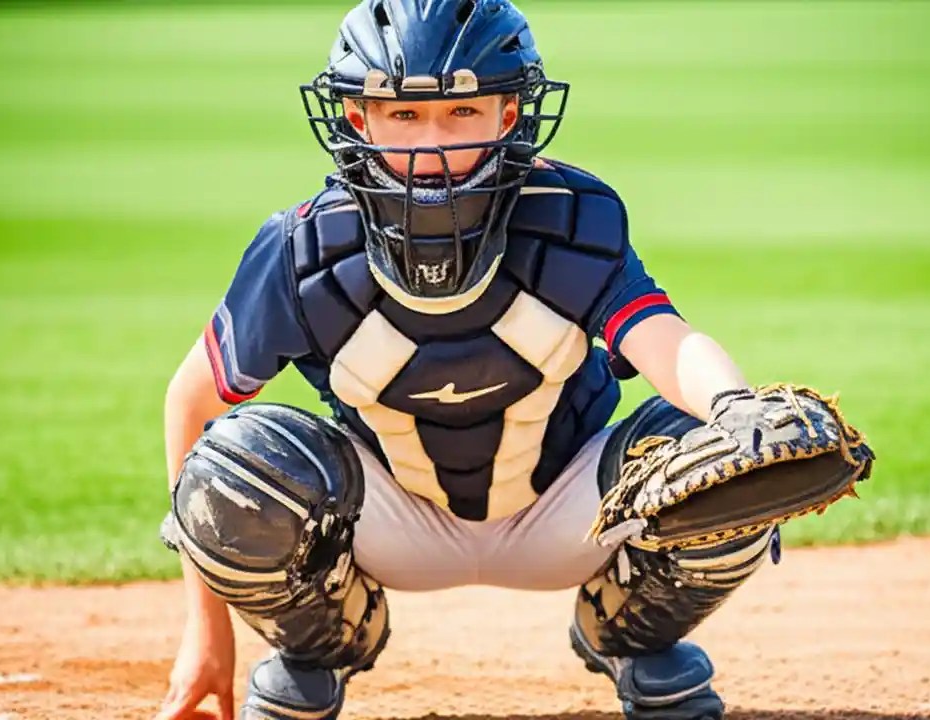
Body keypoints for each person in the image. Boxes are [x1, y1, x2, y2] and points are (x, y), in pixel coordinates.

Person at [155, 2, 872, 719]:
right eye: (401, 115)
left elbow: (662, 338)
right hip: (390, 521)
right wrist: (205, 635)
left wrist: (733, 406)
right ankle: (318, 646)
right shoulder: (304, 251)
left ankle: (629, 631)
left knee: (718, 457)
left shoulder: (570, 221)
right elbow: (190, 404)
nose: (429, 145)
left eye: (460, 110)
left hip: (569, 515)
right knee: (232, 465)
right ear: (355, 118)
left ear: (507, 115)